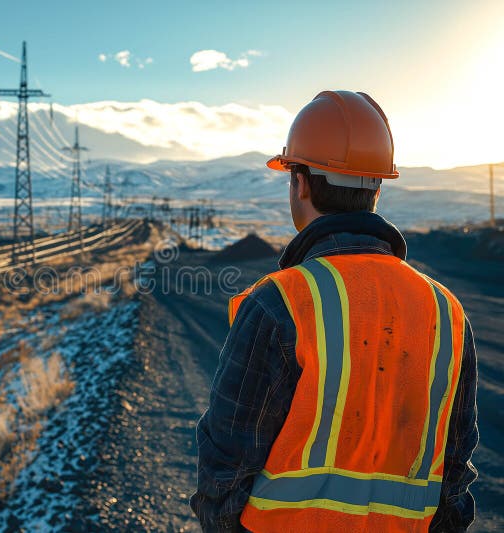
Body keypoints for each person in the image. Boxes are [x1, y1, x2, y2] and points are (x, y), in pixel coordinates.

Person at [190, 90, 479, 532]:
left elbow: (225, 465)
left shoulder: (279, 301)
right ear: (378, 188)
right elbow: (453, 478)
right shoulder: (447, 313)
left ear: (300, 183)